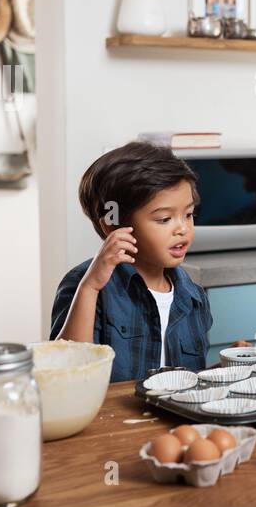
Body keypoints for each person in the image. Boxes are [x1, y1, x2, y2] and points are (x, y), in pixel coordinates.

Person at [50, 141, 214, 381]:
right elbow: (65, 373)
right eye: (164, 219)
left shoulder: (193, 297)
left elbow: (191, 380)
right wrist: (90, 287)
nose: (182, 229)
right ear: (113, 225)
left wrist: (226, 368)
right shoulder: (86, 285)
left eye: (188, 215)